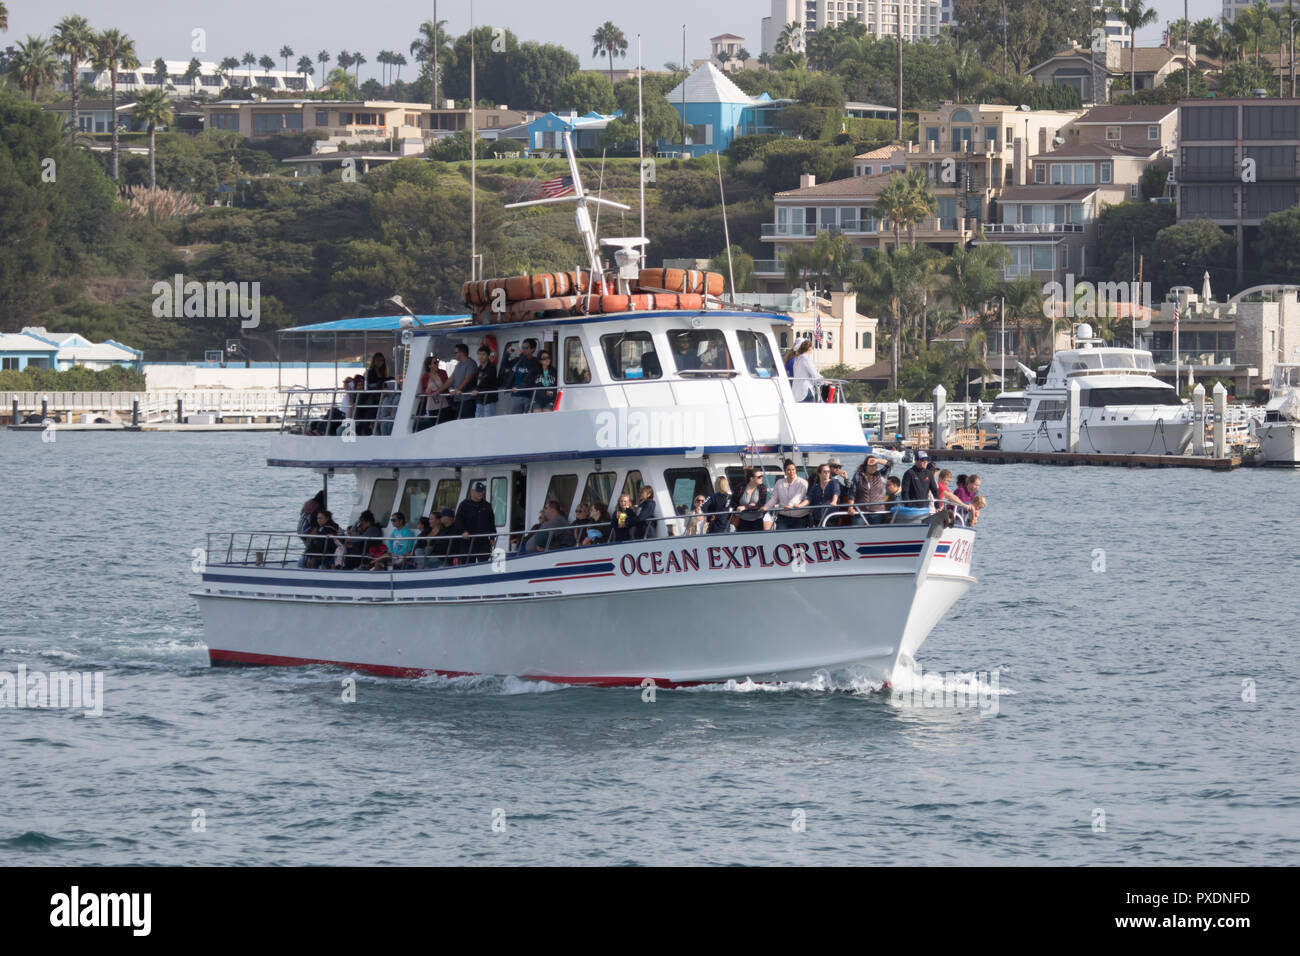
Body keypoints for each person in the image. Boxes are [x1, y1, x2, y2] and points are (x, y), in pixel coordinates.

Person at [452, 482, 497, 562]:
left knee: (484, 564)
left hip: (483, 541)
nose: (480, 493)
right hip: (468, 541)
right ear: (472, 491)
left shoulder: (487, 506)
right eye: (478, 491)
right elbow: (458, 521)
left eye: (482, 491)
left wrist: (492, 537)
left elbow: (491, 523)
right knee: (467, 564)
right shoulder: (464, 505)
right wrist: (463, 531)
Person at [848, 456, 890, 526]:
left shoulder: (881, 475)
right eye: (871, 465)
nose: (874, 467)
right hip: (860, 512)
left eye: (875, 465)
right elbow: (852, 493)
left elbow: (889, 465)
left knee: (876, 534)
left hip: (877, 512)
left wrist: (877, 460)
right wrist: (850, 507)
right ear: (866, 466)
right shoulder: (858, 476)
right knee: (857, 533)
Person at [769, 459, 810, 529]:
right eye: (789, 470)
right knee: (781, 537)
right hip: (783, 516)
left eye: (793, 469)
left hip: (800, 517)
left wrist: (790, 505)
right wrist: (767, 507)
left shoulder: (803, 482)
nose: (791, 472)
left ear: (795, 470)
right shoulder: (779, 482)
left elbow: (798, 496)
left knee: (798, 539)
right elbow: (774, 498)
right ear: (785, 471)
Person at [504, 339, 540, 414]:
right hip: (515, 395)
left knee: (527, 420)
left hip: (528, 396)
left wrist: (521, 355)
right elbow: (506, 365)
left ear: (533, 349)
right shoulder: (519, 360)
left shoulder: (535, 362)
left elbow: (530, 367)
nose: (523, 350)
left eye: (526, 348)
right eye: (523, 348)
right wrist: (507, 354)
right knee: (514, 420)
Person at [731, 466, 768, 532]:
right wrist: (737, 508)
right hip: (742, 521)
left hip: (757, 521)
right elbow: (733, 502)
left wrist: (745, 507)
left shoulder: (763, 488)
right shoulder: (740, 488)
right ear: (752, 479)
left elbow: (760, 505)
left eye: (762, 476)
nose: (761, 478)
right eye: (759, 477)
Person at [446, 344, 478, 420]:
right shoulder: (458, 365)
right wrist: (438, 391)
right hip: (459, 399)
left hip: (468, 399)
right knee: (458, 421)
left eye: (455, 353)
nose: (454, 355)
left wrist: (457, 390)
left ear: (461, 352)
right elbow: (451, 379)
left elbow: (468, 379)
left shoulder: (471, 363)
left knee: (467, 421)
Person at [473, 345, 500, 418]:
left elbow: (486, 381)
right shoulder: (479, 368)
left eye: (483, 354)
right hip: (480, 399)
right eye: (479, 354)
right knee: (478, 419)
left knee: (488, 420)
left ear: (488, 355)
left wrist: (476, 390)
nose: (481, 356)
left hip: (489, 400)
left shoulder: (491, 368)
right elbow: (474, 381)